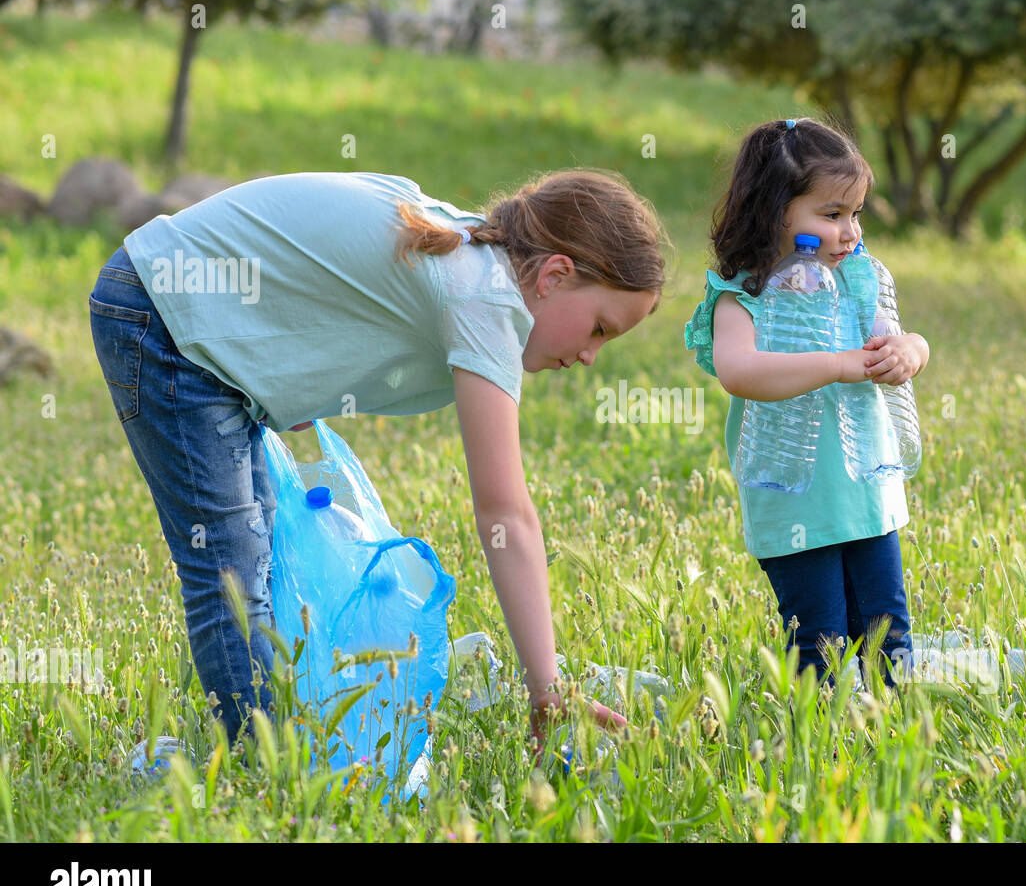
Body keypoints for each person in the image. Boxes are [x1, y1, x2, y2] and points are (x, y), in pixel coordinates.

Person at [88, 168, 666, 748]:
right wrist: (548, 689)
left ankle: (272, 733)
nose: (591, 355)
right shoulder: (484, 298)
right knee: (231, 572)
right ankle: (260, 771)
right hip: (162, 317)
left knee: (259, 563)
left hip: (176, 311)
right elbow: (505, 515)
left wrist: (295, 369)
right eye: (598, 328)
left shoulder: (469, 251)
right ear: (555, 275)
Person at [683, 117, 930, 690]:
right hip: (794, 497)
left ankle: (886, 735)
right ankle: (821, 744)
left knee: (887, 633)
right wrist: (838, 364)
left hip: (867, 489)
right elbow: (739, 371)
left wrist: (910, 351)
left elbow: (899, 335)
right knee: (819, 639)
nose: (850, 231)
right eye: (832, 214)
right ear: (775, 212)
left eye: (857, 214)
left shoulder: (859, 281)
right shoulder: (741, 295)